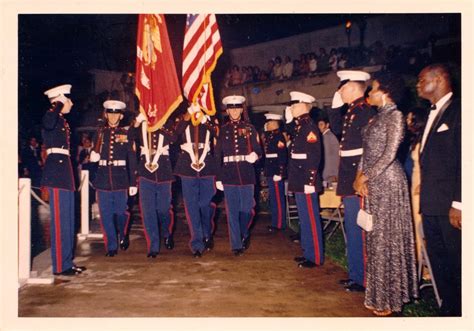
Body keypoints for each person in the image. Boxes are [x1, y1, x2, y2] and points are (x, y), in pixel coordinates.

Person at [353, 72, 418, 316]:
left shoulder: (396, 116)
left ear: (386, 91)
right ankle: (378, 295)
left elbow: (389, 154)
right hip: (373, 182)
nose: (369, 94)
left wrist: (365, 176)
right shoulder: (376, 118)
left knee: (387, 239)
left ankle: (392, 299)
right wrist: (358, 177)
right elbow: (366, 152)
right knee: (375, 239)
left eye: (373, 89)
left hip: (389, 182)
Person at [416, 64, 461, 316]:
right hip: (432, 201)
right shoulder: (433, 113)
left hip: (451, 206)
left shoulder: (460, 110)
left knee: (457, 261)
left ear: (440, 79)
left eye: (423, 80)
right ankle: (449, 309)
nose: (418, 85)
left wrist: (460, 203)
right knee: (439, 260)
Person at [328, 70, 376, 292]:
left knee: (361, 228)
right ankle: (356, 275)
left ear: (354, 87)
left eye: (342, 88)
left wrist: (361, 177)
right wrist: (336, 107)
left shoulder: (366, 112)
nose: (339, 91)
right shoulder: (351, 112)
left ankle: (365, 279)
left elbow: (369, 150)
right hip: (349, 178)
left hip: (358, 178)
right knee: (353, 227)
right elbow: (337, 130)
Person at [41, 84, 85, 276]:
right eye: (68, 100)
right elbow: (48, 122)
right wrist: (57, 105)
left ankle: (67, 262)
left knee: (68, 220)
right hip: (56, 173)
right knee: (59, 221)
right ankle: (59, 265)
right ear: (59, 100)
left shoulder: (62, 121)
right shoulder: (52, 117)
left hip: (65, 173)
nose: (71, 103)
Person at [215, 95, 262, 256]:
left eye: (237, 108)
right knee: (232, 210)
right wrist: (218, 177)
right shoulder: (222, 130)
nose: (234, 111)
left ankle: (244, 232)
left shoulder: (250, 128)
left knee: (247, 209)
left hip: (246, 172)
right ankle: (236, 244)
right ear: (227, 111)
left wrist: (255, 155)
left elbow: (258, 149)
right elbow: (217, 155)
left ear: (241, 110)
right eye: (231, 108)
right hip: (228, 173)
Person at [89, 100, 138, 257]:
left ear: (121, 115)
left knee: (121, 212)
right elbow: (94, 153)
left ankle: (123, 234)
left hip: (120, 178)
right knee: (106, 214)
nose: (113, 116)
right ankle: (111, 245)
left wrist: (132, 182)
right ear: (106, 114)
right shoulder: (100, 132)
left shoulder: (125, 133)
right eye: (110, 113)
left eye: (116, 113)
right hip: (103, 178)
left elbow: (131, 158)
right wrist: (94, 154)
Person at [173, 104, 219, 258]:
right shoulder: (183, 118)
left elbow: (218, 133)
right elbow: (174, 135)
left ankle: (207, 231)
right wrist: (188, 115)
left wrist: (205, 119)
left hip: (207, 166)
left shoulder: (210, 119)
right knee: (191, 206)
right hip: (187, 166)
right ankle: (197, 243)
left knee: (205, 204)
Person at [285, 91, 324, 268]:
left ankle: (315, 256)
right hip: (299, 180)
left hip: (306, 181)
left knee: (311, 219)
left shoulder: (309, 128)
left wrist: (310, 181)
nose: (291, 108)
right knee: (304, 219)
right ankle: (308, 252)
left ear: (303, 106)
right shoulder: (300, 127)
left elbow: (314, 157)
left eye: (294, 105)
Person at [133, 112, 178, 258]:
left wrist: (160, 123)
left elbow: (173, 137)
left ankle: (166, 232)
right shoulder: (140, 123)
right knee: (148, 210)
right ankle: (153, 245)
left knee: (164, 209)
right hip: (145, 171)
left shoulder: (167, 122)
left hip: (164, 171)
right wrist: (138, 122)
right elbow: (129, 137)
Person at [261, 113, 287, 232]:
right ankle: (275, 221)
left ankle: (279, 224)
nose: (267, 124)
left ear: (275, 123)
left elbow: (282, 156)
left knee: (278, 198)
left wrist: (280, 172)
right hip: (271, 170)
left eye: (269, 122)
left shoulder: (279, 137)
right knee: (274, 198)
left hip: (276, 171)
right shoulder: (270, 136)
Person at [317, 118, 340, 185]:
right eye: (318, 125)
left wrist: (331, 173)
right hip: (331, 171)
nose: (319, 127)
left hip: (329, 172)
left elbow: (328, 157)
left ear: (327, 125)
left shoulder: (327, 137)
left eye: (321, 124)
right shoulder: (329, 135)